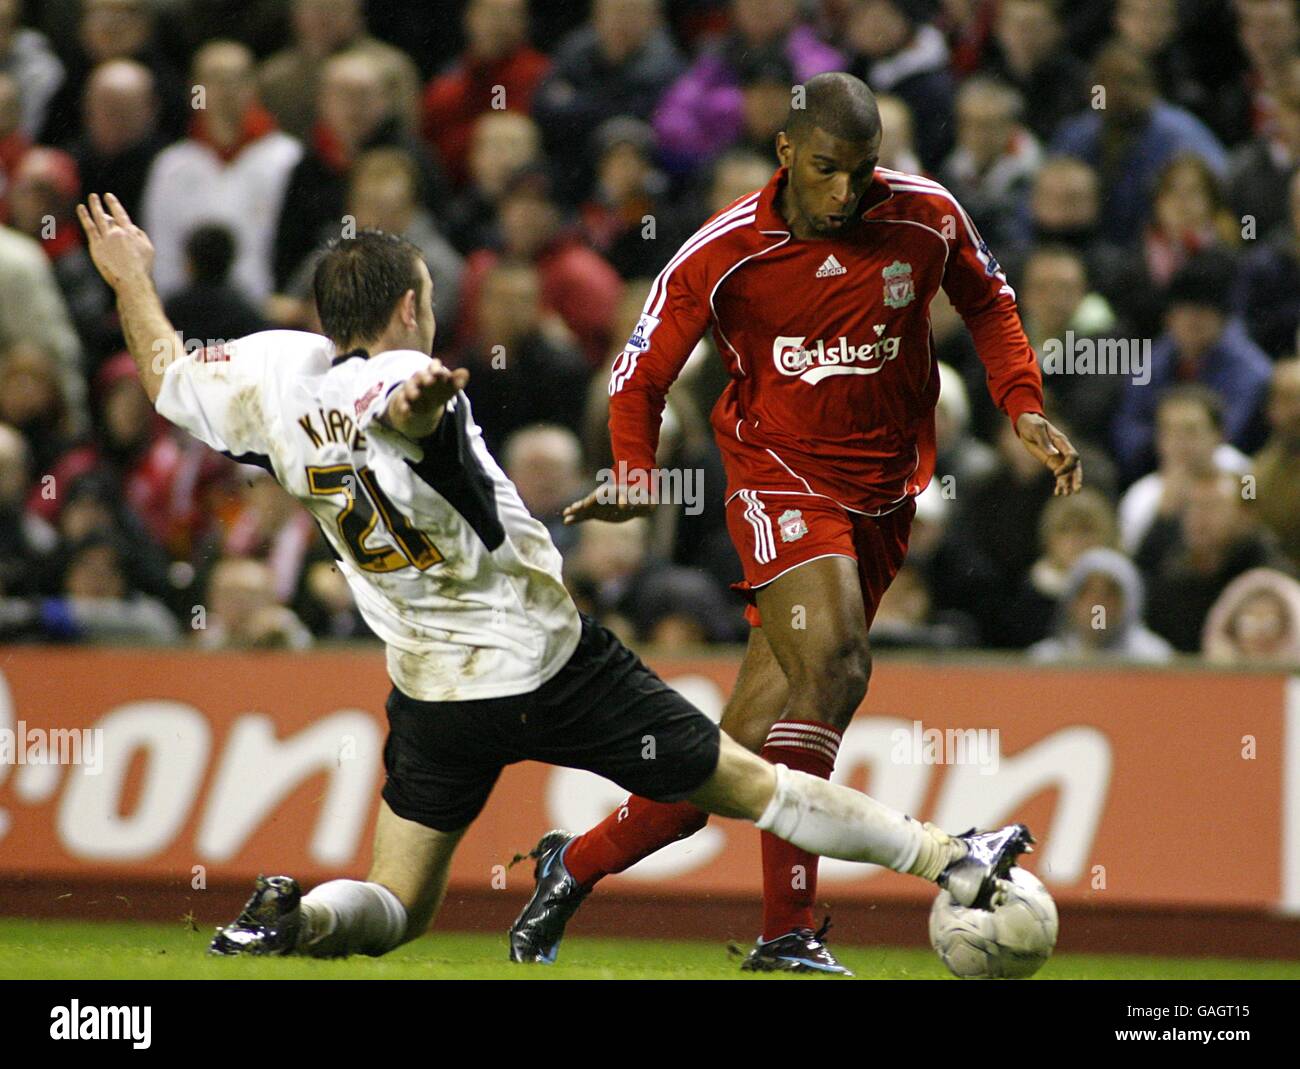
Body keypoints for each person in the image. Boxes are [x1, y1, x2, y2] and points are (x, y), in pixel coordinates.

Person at [76, 193, 1033, 962]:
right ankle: (954, 856)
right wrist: (419, 398)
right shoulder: (403, 377)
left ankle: (299, 919)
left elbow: (162, 368)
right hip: (551, 669)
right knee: (753, 784)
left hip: (432, 695)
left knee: (397, 907)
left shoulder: (273, 380)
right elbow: (406, 410)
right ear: (411, 306)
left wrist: (133, 278)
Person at [528, 72, 1079, 974]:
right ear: (785, 153)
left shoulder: (926, 216)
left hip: (886, 494)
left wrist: (1021, 404)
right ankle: (789, 929)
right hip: (777, 480)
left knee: (733, 757)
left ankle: (573, 864)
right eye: (826, 168)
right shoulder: (725, 249)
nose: (845, 191)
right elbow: (638, 372)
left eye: (861, 171)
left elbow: (989, 300)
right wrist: (635, 471)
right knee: (837, 662)